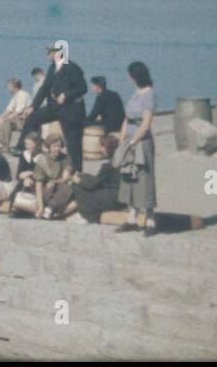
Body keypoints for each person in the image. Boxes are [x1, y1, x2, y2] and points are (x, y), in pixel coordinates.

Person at [18, 42, 87, 172]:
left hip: (71, 110)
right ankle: (24, 148)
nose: (47, 54)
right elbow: (44, 89)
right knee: (33, 117)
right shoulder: (52, 67)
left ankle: (77, 171)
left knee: (73, 143)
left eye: (50, 51)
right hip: (54, 107)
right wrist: (33, 106)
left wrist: (66, 95)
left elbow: (83, 88)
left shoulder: (72, 68)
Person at [115, 61, 157, 236]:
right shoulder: (136, 93)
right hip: (129, 141)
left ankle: (150, 221)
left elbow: (146, 124)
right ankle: (132, 218)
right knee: (128, 178)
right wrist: (122, 138)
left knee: (143, 179)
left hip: (141, 142)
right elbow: (127, 118)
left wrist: (133, 141)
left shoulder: (148, 95)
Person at [53, 134, 124, 221]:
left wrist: (77, 180)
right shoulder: (120, 161)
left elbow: (92, 184)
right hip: (121, 195)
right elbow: (98, 179)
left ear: (106, 148)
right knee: (84, 181)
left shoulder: (108, 166)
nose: (101, 149)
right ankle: (60, 212)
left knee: (81, 190)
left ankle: (85, 216)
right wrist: (82, 176)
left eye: (101, 147)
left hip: (114, 197)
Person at [32, 136, 70, 219]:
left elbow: (65, 178)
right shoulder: (42, 160)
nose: (57, 149)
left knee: (68, 187)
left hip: (59, 188)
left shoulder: (65, 158)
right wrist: (40, 206)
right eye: (54, 146)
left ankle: (50, 208)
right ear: (49, 147)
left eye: (59, 146)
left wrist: (55, 182)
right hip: (45, 190)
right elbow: (38, 185)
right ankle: (45, 209)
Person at [0, 77, 32, 149]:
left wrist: (5, 119)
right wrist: (0, 117)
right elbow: (8, 110)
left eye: (9, 86)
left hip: (24, 120)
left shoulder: (22, 95)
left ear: (14, 86)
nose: (8, 88)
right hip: (16, 119)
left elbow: (18, 112)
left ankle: (4, 144)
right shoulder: (15, 96)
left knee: (6, 122)